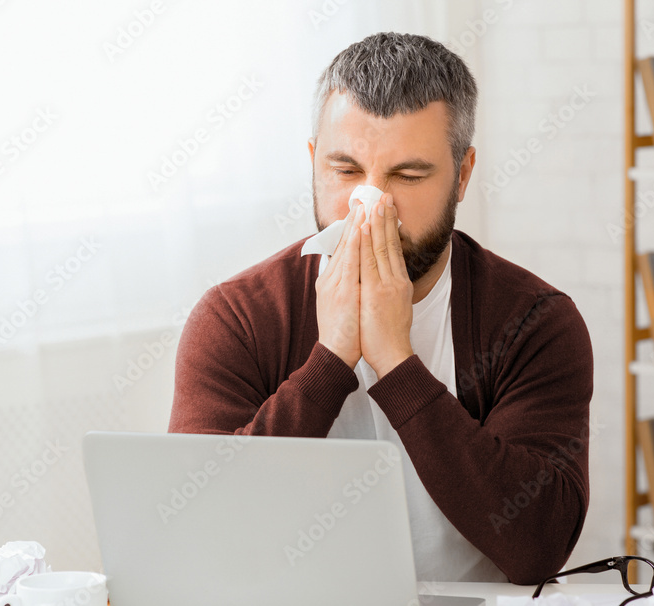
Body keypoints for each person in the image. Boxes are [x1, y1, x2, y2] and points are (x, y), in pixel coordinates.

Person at [168, 32, 593, 585]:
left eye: (408, 175)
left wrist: (396, 362)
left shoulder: (535, 322)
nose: (370, 204)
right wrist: (330, 360)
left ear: (462, 176)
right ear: (313, 162)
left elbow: (535, 546)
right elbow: (199, 538)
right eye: (345, 171)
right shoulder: (237, 319)